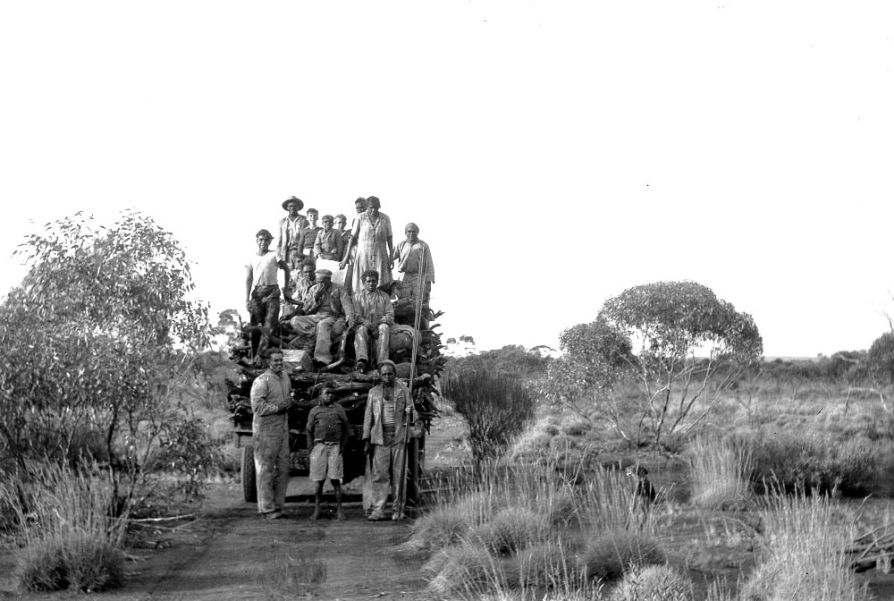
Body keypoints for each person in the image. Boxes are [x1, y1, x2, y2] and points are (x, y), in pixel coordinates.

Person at [362, 360, 416, 521]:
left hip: (399, 437)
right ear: (380, 375)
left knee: (399, 475)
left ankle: (398, 509)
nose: (387, 377)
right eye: (384, 374)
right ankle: (378, 510)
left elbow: (414, 416)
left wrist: (410, 411)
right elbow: (368, 417)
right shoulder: (374, 392)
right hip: (380, 438)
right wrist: (366, 438)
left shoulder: (404, 391)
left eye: (390, 374)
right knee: (380, 475)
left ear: (395, 374)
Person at [250, 351, 293, 519]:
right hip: (266, 430)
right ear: (268, 362)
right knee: (265, 469)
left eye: (281, 360)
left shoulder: (285, 378)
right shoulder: (261, 381)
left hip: (282, 428)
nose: (279, 363)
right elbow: (258, 407)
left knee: (283, 468)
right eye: (275, 360)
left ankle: (278, 506)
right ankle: (267, 509)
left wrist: (290, 402)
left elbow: (287, 397)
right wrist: (278, 408)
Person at [290, 269, 354, 367]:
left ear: (328, 280)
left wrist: (350, 319)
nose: (320, 284)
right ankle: (312, 334)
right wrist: (316, 299)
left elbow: (347, 305)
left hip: (332, 316)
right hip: (317, 316)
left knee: (322, 325)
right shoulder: (313, 289)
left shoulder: (338, 288)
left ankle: (322, 358)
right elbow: (306, 309)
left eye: (322, 282)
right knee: (295, 321)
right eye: (318, 281)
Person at [306, 382, 349, 520]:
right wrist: (311, 449)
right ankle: (317, 508)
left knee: (336, 479)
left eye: (332, 393)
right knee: (318, 480)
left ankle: (340, 510)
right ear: (320, 395)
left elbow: (346, 428)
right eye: (327, 393)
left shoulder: (339, 409)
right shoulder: (315, 411)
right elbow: (308, 430)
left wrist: (342, 446)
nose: (330, 396)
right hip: (319, 446)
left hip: (335, 446)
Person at [246, 229, 292, 361]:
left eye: (266, 240)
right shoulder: (252, 257)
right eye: (261, 240)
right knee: (256, 325)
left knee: (269, 323)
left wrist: (286, 288)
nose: (263, 242)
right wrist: (247, 298)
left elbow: (286, 269)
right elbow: (249, 278)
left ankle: (261, 355)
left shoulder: (274, 255)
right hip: (257, 293)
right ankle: (255, 356)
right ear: (256, 241)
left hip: (272, 292)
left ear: (270, 241)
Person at [341, 196, 394, 294]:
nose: (373, 210)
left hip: (380, 254)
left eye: (376, 208)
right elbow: (352, 237)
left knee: (381, 282)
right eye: (371, 208)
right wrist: (345, 258)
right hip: (363, 254)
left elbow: (390, 238)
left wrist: (391, 256)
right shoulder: (360, 217)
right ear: (367, 207)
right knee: (362, 282)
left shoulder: (385, 218)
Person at [351, 270, 394, 373]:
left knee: (384, 328)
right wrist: (369, 325)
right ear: (363, 282)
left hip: (379, 325)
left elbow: (390, 315)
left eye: (374, 281)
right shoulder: (357, 297)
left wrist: (378, 323)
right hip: (365, 326)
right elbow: (356, 316)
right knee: (360, 329)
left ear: (377, 282)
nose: (371, 284)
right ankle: (362, 361)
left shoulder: (384, 296)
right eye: (368, 281)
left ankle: (382, 362)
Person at [393, 222, 436, 314]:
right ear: (406, 233)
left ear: (417, 232)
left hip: (418, 275)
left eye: (414, 231)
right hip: (404, 275)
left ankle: (419, 321)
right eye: (409, 231)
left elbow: (429, 263)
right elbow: (390, 258)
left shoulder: (423, 245)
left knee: (419, 299)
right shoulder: (401, 245)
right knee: (403, 299)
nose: (412, 234)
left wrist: (429, 279)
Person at [277, 196, 307, 262]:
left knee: (300, 271)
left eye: (295, 206)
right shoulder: (282, 222)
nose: (292, 208)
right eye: (290, 206)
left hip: (300, 251)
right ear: (287, 208)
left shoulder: (304, 220)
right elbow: (280, 240)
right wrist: (278, 255)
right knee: (288, 271)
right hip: (287, 252)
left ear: (298, 207)